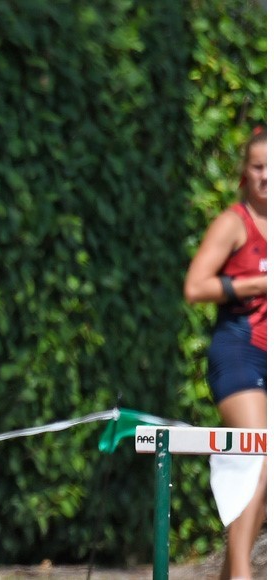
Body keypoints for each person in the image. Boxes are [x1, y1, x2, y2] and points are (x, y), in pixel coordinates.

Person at [184, 127, 266, 580]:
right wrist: (258, 283)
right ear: (243, 174)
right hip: (240, 353)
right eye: (257, 168)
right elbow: (195, 287)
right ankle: (241, 575)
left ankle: (232, 572)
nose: (266, 177)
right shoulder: (233, 223)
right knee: (260, 457)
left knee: (263, 477)